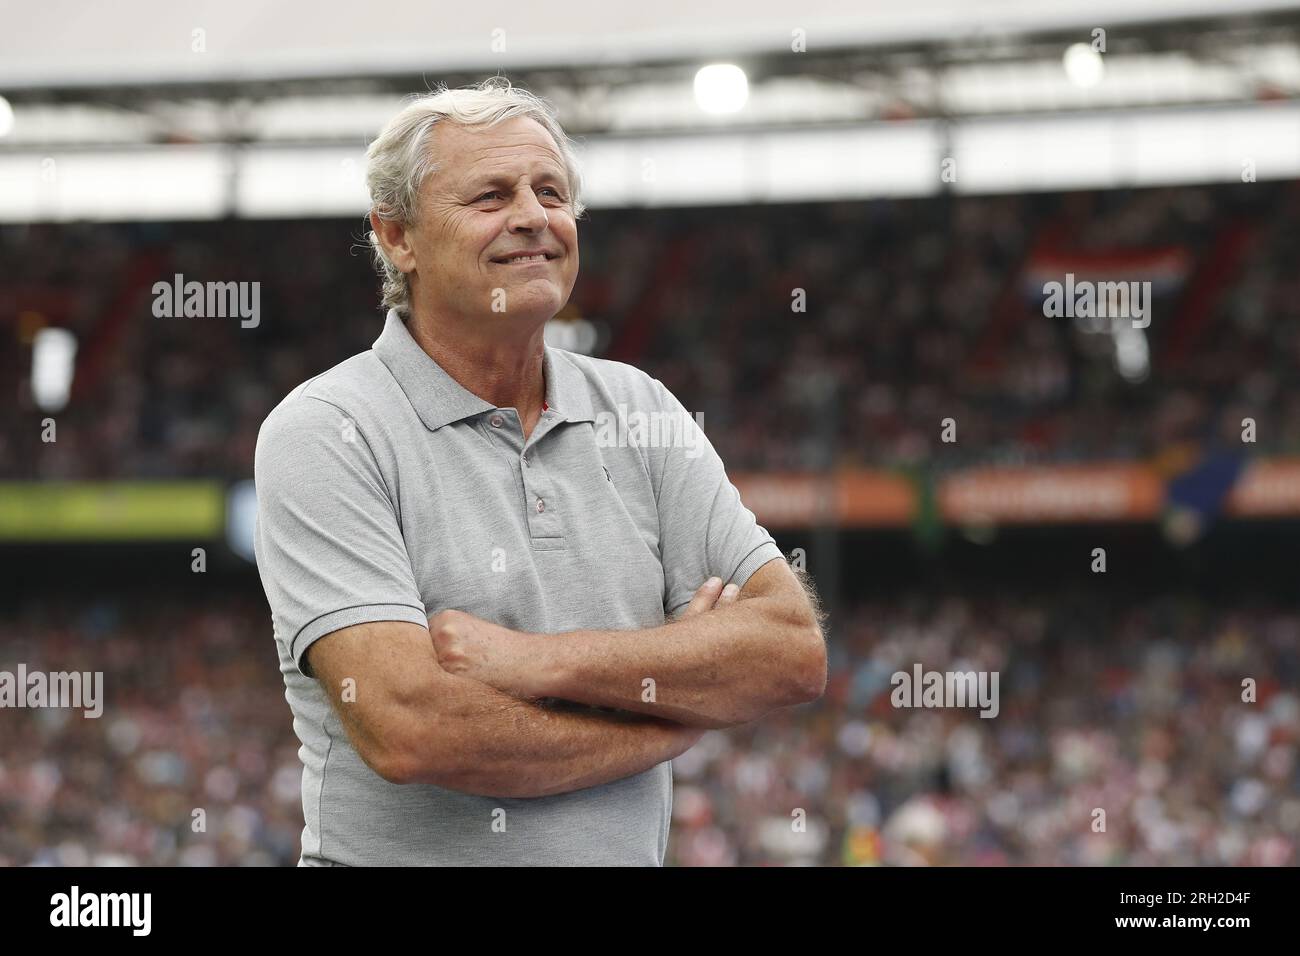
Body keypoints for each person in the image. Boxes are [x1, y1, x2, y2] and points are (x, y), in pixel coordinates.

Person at [253, 77, 826, 866]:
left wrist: (532, 661)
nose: (533, 216)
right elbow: (413, 729)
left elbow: (791, 652)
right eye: (491, 196)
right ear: (397, 236)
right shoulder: (327, 430)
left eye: (551, 192)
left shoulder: (641, 407)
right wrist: (668, 720)